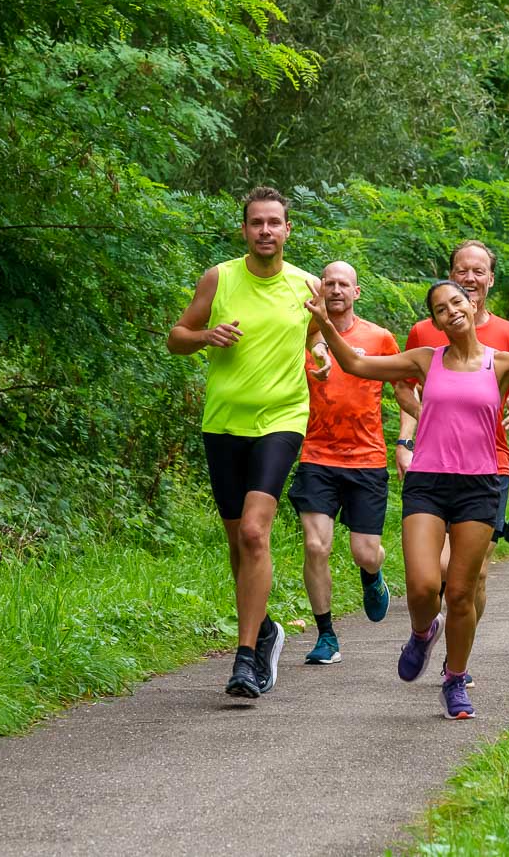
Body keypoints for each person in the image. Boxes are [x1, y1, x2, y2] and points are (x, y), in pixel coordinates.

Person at [308, 281, 509, 719]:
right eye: (440, 308)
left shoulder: (502, 363)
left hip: (479, 485)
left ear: (472, 305)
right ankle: (421, 633)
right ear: (434, 321)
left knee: (460, 592)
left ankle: (455, 679)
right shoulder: (424, 360)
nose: (451, 311)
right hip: (427, 483)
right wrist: (324, 322)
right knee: (421, 587)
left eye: (457, 301)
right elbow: (358, 364)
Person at [166, 186, 327, 700]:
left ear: (287, 230)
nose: (265, 231)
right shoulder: (220, 277)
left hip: (282, 419)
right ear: (244, 230)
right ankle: (267, 630)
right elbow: (176, 337)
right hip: (224, 423)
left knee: (256, 533)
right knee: (239, 542)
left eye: (274, 223)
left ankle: (244, 658)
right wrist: (205, 336)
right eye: (256, 223)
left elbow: (316, 338)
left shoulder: (307, 285)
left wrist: (320, 354)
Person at [396, 241, 509, 635]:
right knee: (440, 570)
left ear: (491, 279)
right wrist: (412, 436)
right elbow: (405, 387)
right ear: (451, 274)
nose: (470, 278)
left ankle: (457, 662)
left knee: (473, 574)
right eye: (462, 270)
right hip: (433, 463)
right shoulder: (426, 330)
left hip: (491, 462)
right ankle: (430, 634)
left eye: (479, 271)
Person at [287, 262, 398, 665]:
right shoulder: (301, 337)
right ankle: (326, 636)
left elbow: (404, 387)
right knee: (316, 545)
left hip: (367, 459)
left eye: (343, 284)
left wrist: (409, 438)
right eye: (329, 283)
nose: (335, 290)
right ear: (320, 292)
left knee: (366, 553)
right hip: (317, 454)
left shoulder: (380, 338)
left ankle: (373, 576)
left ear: (357, 292)